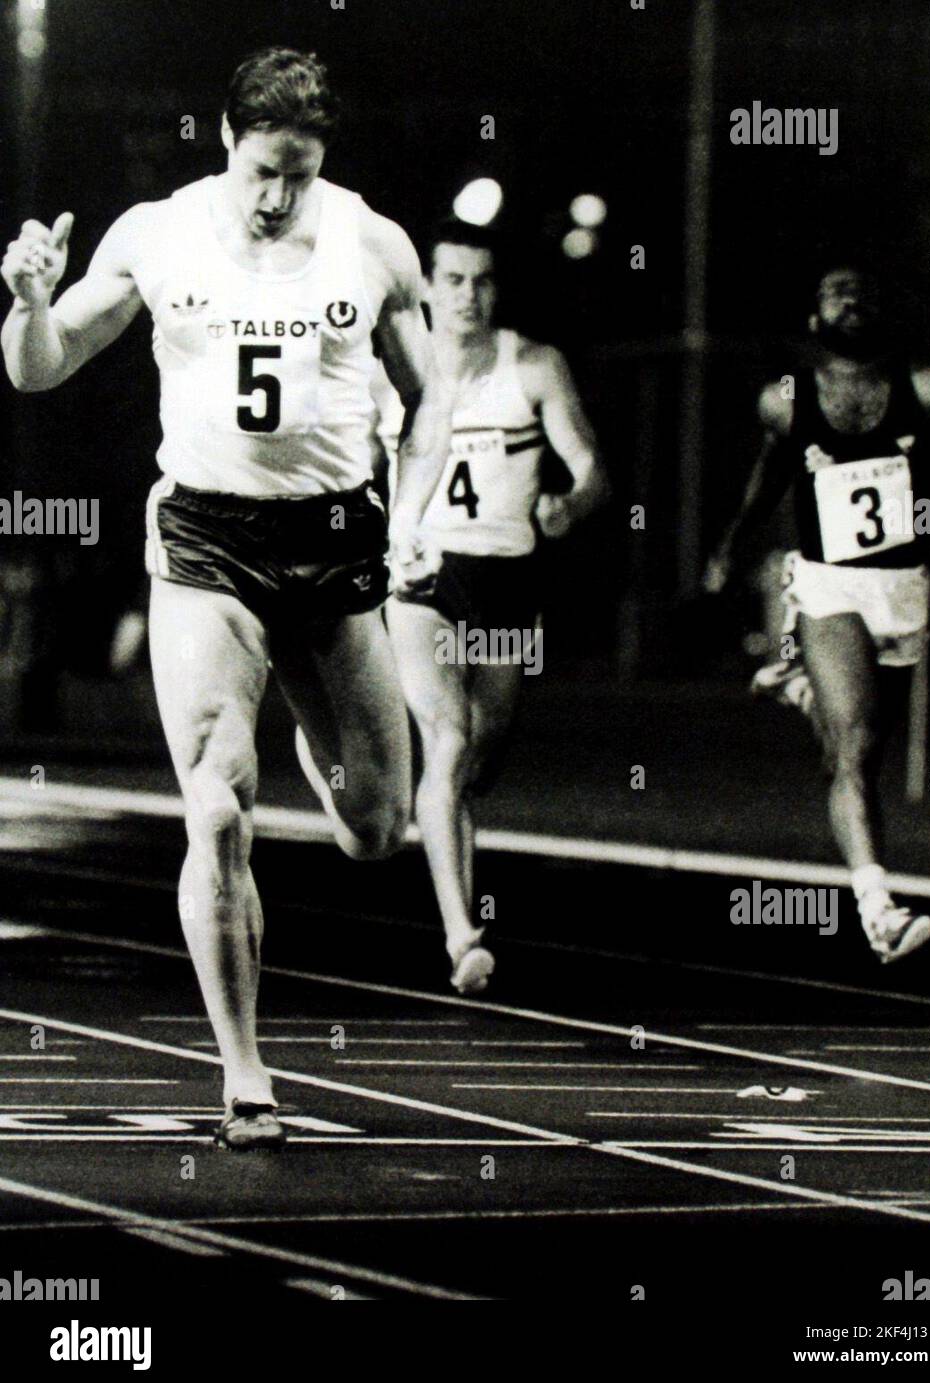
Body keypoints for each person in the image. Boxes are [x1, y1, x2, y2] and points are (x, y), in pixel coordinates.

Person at [2, 47, 451, 1149]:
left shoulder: (372, 241)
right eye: (262, 170)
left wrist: (421, 513)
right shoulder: (158, 232)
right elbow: (39, 366)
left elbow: (432, 390)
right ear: (225, 138)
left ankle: (316, 727)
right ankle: (246, 1076)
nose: (277, 196)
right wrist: (28, 302)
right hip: (206, 539)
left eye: (298, 173)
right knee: (215, 807)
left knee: (377, 829)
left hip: (338, 540)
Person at [705, 266, 930, 963]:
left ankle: (799, 686)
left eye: (866, 291)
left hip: (903, 589)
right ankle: (878, 911)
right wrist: (732, 548)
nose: (853, 299)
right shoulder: (786, 400)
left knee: (853, 748)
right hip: (828, 586)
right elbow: (768, 475)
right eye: (836, 291)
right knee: (854, 747)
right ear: (813, 318)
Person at [375, 220, 608, 993]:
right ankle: (460, 934)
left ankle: (452, 843)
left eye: (480, 280)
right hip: (426, 576)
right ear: (428, 288)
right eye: (452, 279)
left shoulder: (535, 365)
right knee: (449, 737)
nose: (466, 295)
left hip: (510, 582)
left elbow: (590, 468)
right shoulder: (392, 371)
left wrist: (568, 507)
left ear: (495, 289)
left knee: (485, 753)